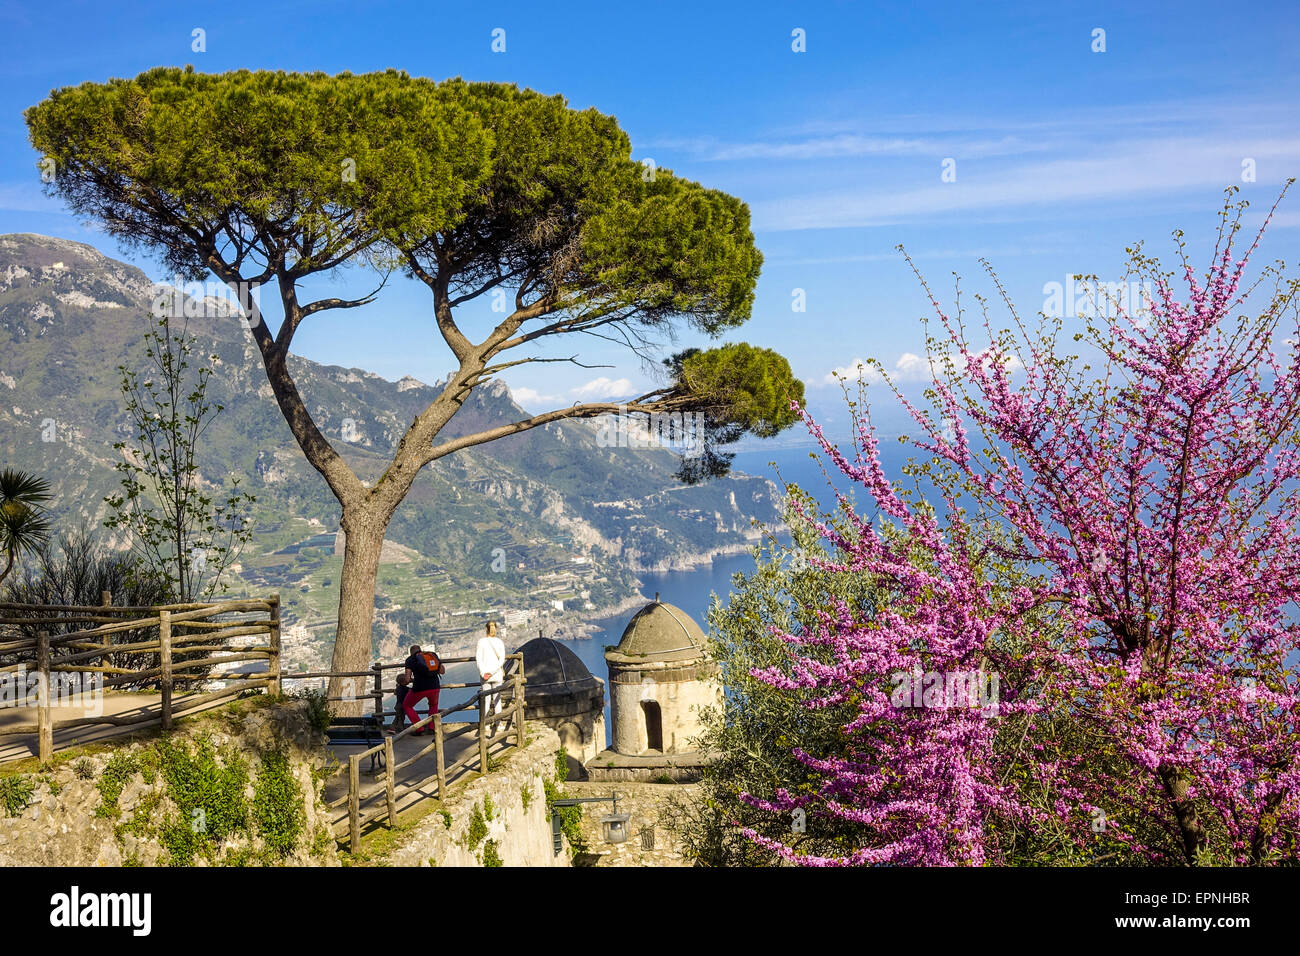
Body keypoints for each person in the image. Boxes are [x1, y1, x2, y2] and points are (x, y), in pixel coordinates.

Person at [401, 644, 444, 735]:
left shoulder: (410, 660)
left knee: (407, 705)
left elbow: (407, 679)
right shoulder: (431, 655)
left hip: (419, 688)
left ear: (410, 652)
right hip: (435, 687)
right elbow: (442, 671)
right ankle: (432, 728)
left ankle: (419, 728)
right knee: (433, 705)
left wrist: (403, 683)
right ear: (420, 650)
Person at [475, 621, 507, 737]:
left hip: (485, 676)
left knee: (486, 700)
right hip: (497, 674)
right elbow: (501, 660)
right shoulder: (499, 642)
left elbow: (478, 659)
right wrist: (493, 672)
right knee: (497, 699)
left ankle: (486, 724)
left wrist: (484, 673)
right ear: (496, 629)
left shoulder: (481, 642)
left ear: (486, 629)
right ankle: (499, 724)